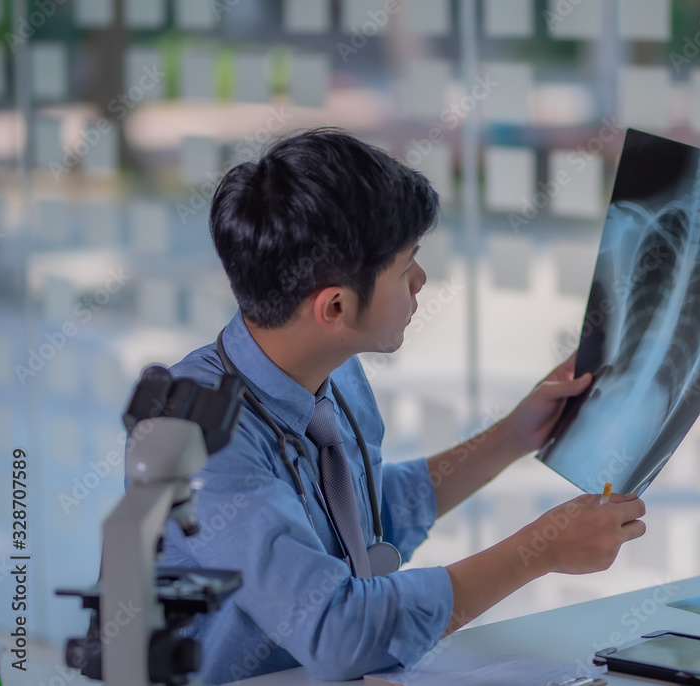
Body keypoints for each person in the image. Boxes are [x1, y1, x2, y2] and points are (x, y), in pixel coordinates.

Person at [160, 127, 647, 683]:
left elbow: (360, 521)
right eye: (404, 267)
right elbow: (339, 630)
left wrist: (514, 435)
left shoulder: (335, 367)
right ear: (335, 306)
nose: (421, 280)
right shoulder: (197, 433)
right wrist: (538, 551)